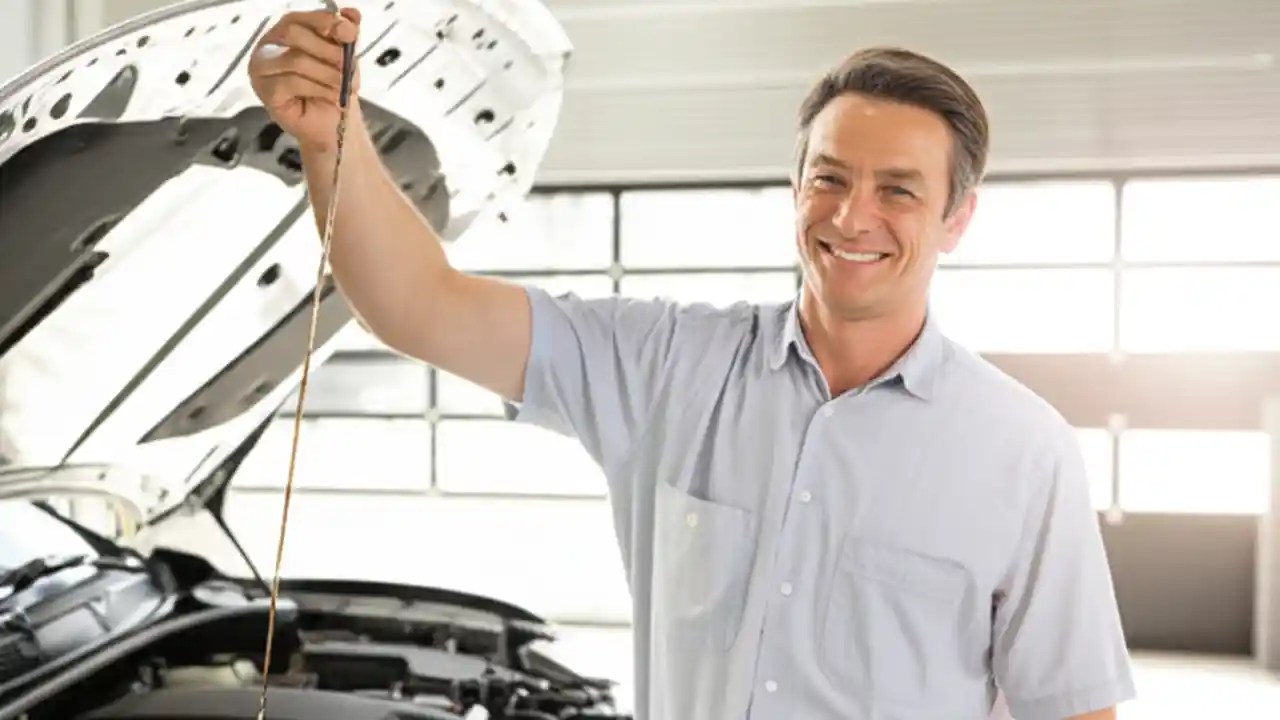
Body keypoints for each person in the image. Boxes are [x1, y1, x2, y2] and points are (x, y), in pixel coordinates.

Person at [248, 8, 1137, 720]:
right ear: (798, 189)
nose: (852, 215)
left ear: (955, 219)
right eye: (829, 177)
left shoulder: (1024, 450)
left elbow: (1073, 708)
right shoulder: (665, 364)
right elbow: (422, 307)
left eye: (898, 190)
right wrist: (332, 139)